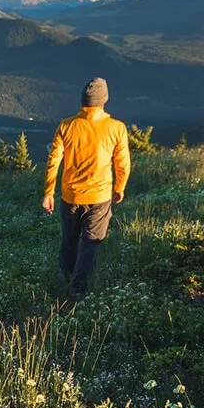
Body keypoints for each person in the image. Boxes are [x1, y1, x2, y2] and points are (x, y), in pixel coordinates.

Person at [42, 77, 130, 298]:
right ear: (104, 100)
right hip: (100, 196)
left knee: (69, 239)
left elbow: (53, 161)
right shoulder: (116, 128)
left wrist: (48, 192)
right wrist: (120, 186)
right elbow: (123, 163)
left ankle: (64, 277)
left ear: (83, 100)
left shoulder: (66, 125)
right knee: (90, 243)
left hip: (70, 196)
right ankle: (77, 289)